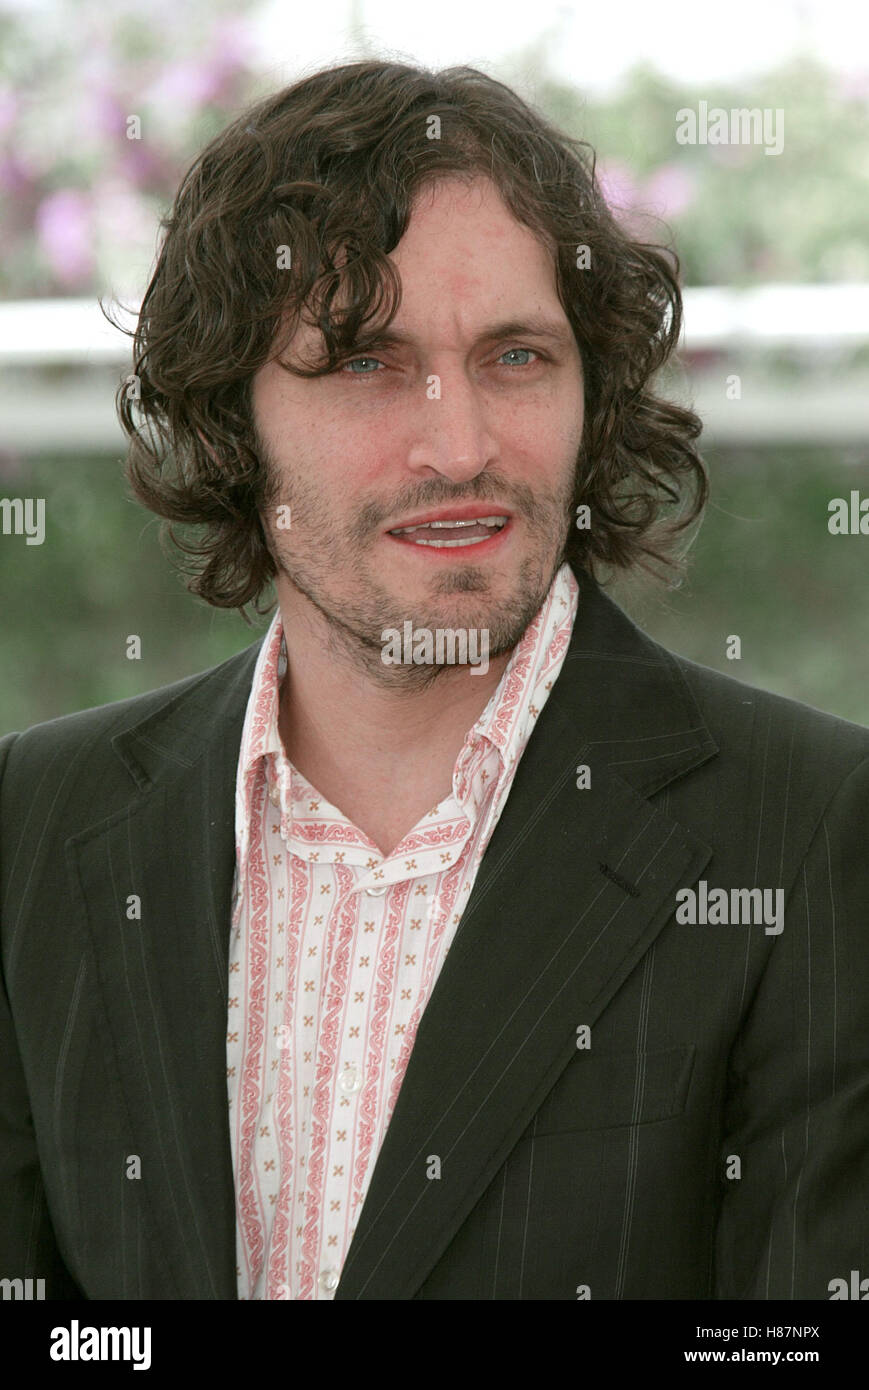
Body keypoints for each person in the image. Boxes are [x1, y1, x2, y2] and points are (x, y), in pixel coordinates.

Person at [1, 59, 867, 1303]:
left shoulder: (809, 831)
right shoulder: (38, 819)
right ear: (231, 419)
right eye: (363, 362)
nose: (459, 443)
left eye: (516, 357)